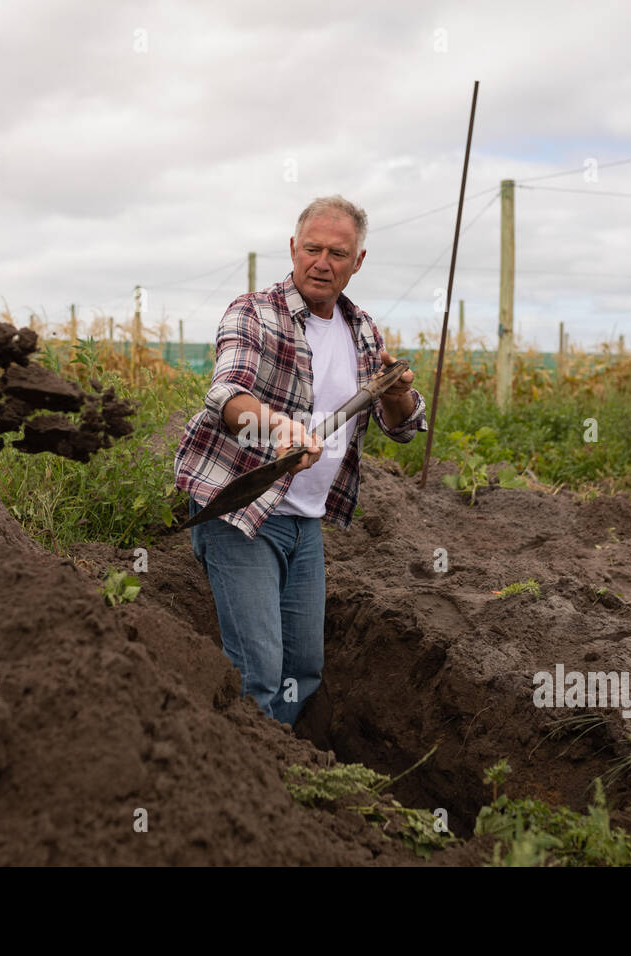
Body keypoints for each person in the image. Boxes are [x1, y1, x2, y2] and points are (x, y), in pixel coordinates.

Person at [174, 195, 428, 725]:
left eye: (338, 253)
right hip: (241, 511)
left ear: (358, 261)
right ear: (293, 248)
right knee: (259, 673)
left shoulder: (363, 332)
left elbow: (403, 426)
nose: (322, 261)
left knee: (304, 669)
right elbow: (227, 397)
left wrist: (397, 390)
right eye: (312, 248)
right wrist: (278, 427)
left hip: (305, 523)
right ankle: (246, 783)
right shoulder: (255, 313)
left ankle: (286, 775)